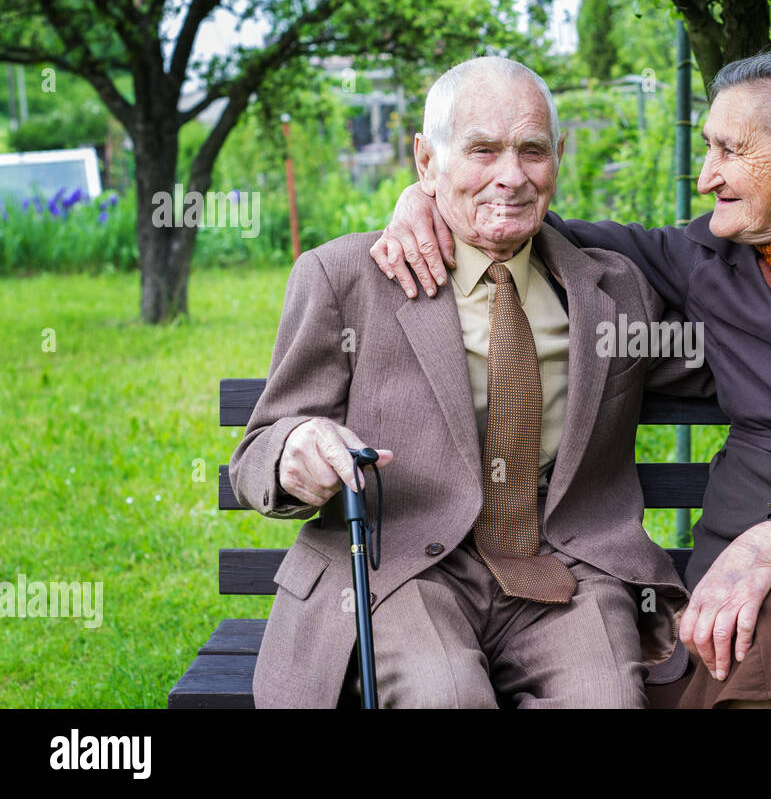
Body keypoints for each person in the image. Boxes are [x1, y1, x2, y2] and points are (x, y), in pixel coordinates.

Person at [370, 52, 771, 708]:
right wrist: (419, 199)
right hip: (736, 555)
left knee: (759, 655)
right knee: (739, 654)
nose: (706, 177)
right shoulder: (705, 255)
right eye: (708, 148)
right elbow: (531, 222)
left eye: (731, 151)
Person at [229, 56, 710, 708]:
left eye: (532, 151)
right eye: (482, 150)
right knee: (443, 695)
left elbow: (735, 350)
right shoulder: (345, 277)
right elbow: (260, 447)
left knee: (607, 699)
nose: (510, 176)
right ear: (426, 161)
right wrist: (297, 452)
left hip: (562, 567)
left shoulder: (614, 289)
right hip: (399, 567)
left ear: (559, 158)